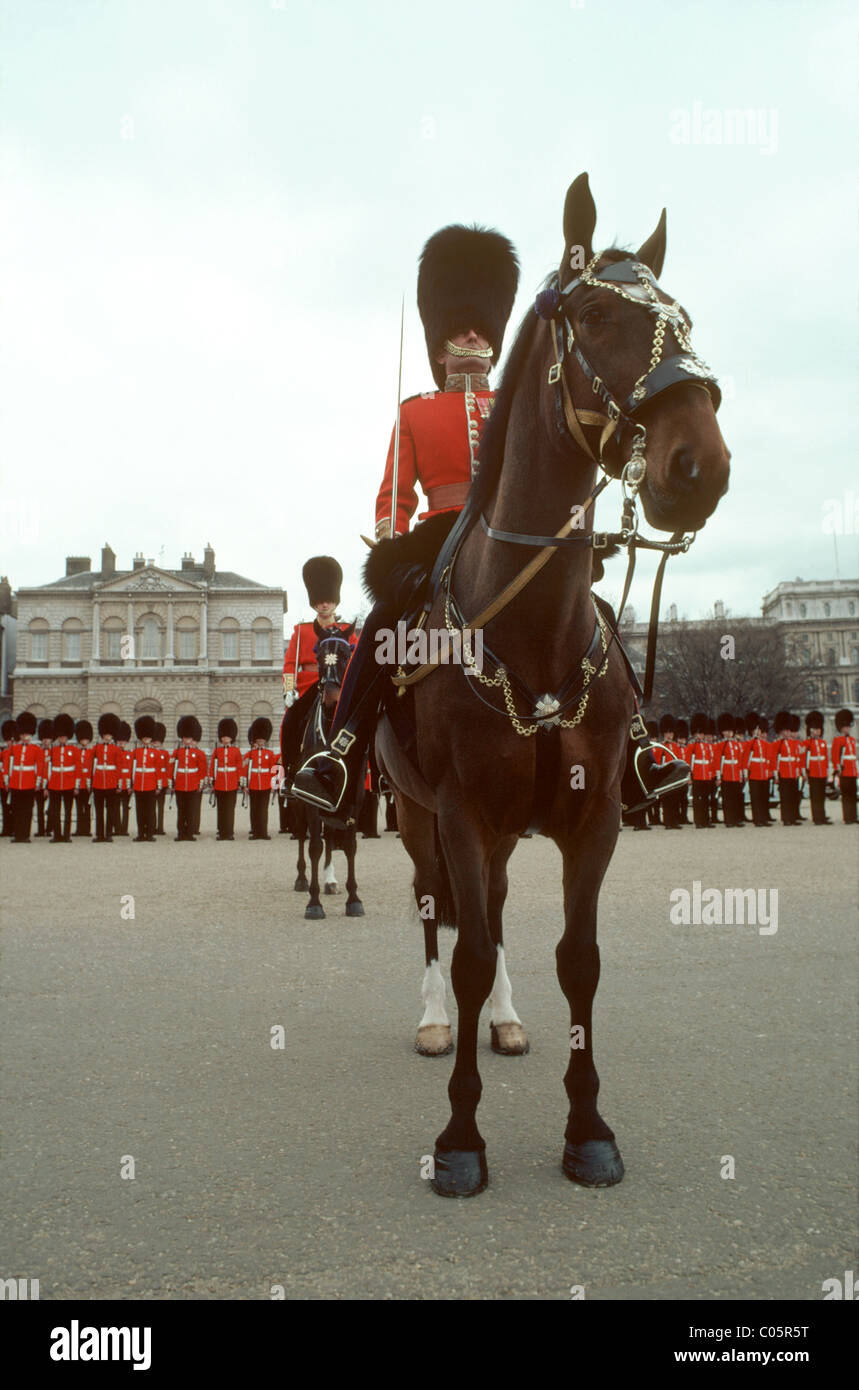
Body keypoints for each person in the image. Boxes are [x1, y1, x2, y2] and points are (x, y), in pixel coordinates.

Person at [293, 223, 689, 826]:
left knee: (594, 615)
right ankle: (340, 753)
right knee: (382, 628)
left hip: (518, 535)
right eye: (459, 329)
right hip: (439, 534)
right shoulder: (416, 412)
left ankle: (635, 744)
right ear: (440, 345)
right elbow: (394, 494)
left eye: (480, 327)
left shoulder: (519, 398)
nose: (471, 336)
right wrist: (392, 537)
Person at [279, 557, 359, 779]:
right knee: (290, 722)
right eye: (321, 601)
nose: (325, 605)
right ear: (314, 602)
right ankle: (289, 773)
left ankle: (369, 776)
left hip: (338, 686)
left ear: (336, 601)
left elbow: (355, 661)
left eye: (329, 600)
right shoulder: (302, 629)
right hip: (308, 686)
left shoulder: (346, 630)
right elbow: (289, 664)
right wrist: (288, 689)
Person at [7, 711, 41, 842]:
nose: (24, 736)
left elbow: (38, 767)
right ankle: (17, 834)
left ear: (31, 734)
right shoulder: (14, 748)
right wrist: (8, 781)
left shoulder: (36, 749)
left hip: (29, 782)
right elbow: (9, 765)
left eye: (27, 734)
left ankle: (25, 835)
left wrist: (38, 783)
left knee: (27, 810)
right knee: (16, 810)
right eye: (22, 734)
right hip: (16, 782)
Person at [172, 716, 207, 841]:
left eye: (189, 738)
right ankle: (181, 833)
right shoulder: (177, 752)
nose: (187, 740)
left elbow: (202, 771)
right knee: (181, 810)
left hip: (192, 784)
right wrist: (172, 783)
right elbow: (172, 768)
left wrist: (200, 784)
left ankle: (190, 833)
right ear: (182, 738)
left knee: (191, 810)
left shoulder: (199, 753)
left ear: (193, 738)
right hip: (180, 784)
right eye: (185, 738)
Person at [46, 713, 80, 842]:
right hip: (55, 784)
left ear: (67, 736)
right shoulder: (52, 750)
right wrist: (47, 785)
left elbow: (77, 769)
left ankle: (66, 835)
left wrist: (76, 786)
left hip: (69, 783)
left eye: (64, 736)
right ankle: (57, 835)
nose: (62, 738)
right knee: (55, 811)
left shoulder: (74, 750)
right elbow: (48, 768)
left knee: (67, 811)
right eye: (60, 736)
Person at [210, 718, 244, 840]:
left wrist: (239, 781)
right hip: (219, 783)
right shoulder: (217, 751)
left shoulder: (236, 751)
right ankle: (221, 831)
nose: (225, 739)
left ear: (231, 738)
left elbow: (239, 767)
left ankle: (229, 832)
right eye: (223, 737)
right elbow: (212, 767)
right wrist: (212, 780)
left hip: (231, 783)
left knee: (230, 809)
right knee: (221, 809)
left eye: (227, 737)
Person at [90, 713, 121, 843]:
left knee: (110, 810)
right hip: (98, 783)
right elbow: (91, 765)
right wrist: (89, 782)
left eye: (109, 734)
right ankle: (99, 834)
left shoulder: (116, 749)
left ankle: (108, 834)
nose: (107, 736)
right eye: (105, 734)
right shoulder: (96, 748)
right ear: (102, 734)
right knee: (99, 811)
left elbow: (118, 768)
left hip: (111, 783)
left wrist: (118, 784)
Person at [245, 718, 275, 840]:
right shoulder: (250, 754)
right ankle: (255, 831)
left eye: (262, 739)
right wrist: (245, 785)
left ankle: (263, 832)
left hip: (265, 784)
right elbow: (245, 769)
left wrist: (273, 785)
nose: (261, 741)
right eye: (259, 739)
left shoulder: (270, 754)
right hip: (253, 784)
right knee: (254, 810)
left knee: (264, 810)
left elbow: (273, 770)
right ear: (255, 740)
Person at [131, 715, 159, 841]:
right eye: (144, 736)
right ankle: (141, 833)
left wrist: (158, 785)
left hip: (151, 784)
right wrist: (131, 784)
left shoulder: (156, 753)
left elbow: (158, 770)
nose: (146, 738)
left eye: (148, 736)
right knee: (140, 811)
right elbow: (132, 769)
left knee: (150, 811)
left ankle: (150, 833)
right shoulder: (136, 752)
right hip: (138, 785)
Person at [715, 712, 745, 827]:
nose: (729, 733)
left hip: (736, 775)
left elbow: (740, 761)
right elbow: (718, 762)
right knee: (727, 799)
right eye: (726, 731)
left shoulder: (737, 745)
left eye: (730, 731)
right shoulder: (720, 745)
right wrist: (718, 777)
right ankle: (729, 820)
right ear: (722, 732)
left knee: (736, 798)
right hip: (726, 775)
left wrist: (741, 774)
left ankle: (737, 819)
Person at [803, 710, 831, 826]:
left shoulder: (823, 743)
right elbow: (804, 759)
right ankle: (817, 817)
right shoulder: (806, 743)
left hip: (822, 773)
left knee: (822, 795)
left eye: (818, 729)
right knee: (815, 796)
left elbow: (825, 759)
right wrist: (805, 773)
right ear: (810, 730)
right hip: (813, 773)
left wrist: (827, 771)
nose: (817, 731)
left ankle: (822, 816)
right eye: (814, 729)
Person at [831, 708, 857, 824]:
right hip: (844, 771)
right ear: (841, 727)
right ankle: (848, 817)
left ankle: (854, 816)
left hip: (852, 771)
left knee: (853, 794)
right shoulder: (838, 740)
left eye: (849, 726)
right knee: (846, 795)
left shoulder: (852, 740)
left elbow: (853, 756)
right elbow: (836, 756)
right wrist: (837, 769)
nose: (848, 728)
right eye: (846, 727)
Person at [74, 720, 94, 837]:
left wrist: (90, 784)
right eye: (82, 739)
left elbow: (92, 769)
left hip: (87, 784)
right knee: (78, 808)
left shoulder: (92, 752)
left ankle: (87, 829)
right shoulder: (76, 751)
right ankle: (79, 829)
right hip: (78, 784)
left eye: (86, 740)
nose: (84, 742)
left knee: (87, 807)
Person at [152, 722, 169, 834]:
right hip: (151, 782)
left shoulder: (165, 753)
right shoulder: (150, 753)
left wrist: (167, 783)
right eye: (155, 741)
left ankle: (160, 827)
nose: (156, 743)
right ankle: (152, 826)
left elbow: (168, 769)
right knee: (152, 807)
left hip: (162, 782)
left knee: (161, 807)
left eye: (158, 741)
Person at [1, 718, 17, 835]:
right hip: (3, 784)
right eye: (9, 740)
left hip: (15, 783)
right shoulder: (5, 752)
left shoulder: (18, 751)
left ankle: (14, 828)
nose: (10, 742)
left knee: (14, 808)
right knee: (5, 807)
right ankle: (6, 829)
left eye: (12, 740)